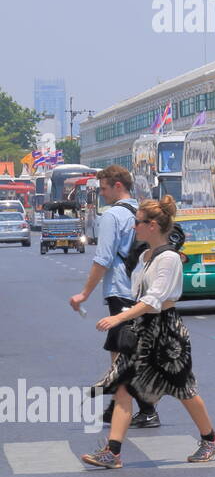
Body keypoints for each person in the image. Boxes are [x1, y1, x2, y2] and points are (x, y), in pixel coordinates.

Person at [80, 196, 215, 468]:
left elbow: (153, 300)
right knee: (123, 387)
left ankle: (211, 438)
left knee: (183, 389)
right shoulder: (146, 256)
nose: (134, 227)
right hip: (144, 329)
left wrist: (118, 318)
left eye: (138, 222)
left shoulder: (169, 258)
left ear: (154, 225)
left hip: (166, 333)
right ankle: (112, 452)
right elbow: (139, 296)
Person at [68, 165, 159, 429]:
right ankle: (125, 408)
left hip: (121, 291)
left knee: (121, 354)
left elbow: (103, 258)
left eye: (104, 189)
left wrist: (84, 293)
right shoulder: (142, 212)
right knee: (125, 351)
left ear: (118, 185)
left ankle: (141, 408)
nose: (102, 194)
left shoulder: (112, 216)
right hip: (142, 290)